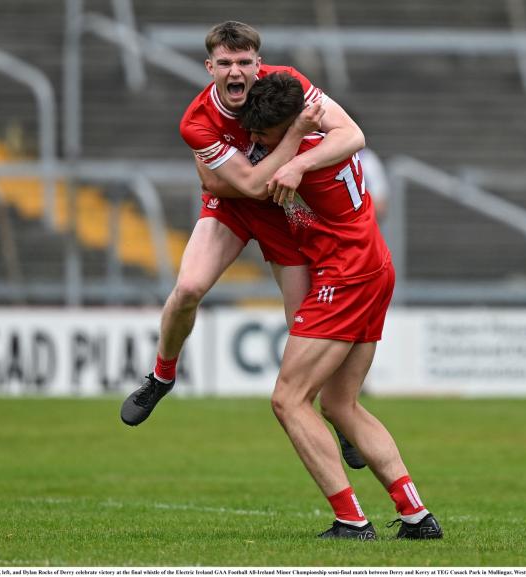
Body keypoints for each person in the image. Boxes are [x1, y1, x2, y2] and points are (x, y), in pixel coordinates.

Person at [120, 20, 366, 470]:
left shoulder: (287, 85)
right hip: (233, 206)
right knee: (189, 288)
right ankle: (161, 376)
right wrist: (294, 142)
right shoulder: (197, 120)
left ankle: (338, 419)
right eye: (226, 63)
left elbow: (352, 135)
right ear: (210, 66)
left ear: (258, 62)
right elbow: (249, 185)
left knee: (306, 331)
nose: (236, 71)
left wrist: (296, 165)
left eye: (244, 62)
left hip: (283, 212)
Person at [233, 73, 444, 540]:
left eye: (261, 134)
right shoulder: (329, 138)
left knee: (288, 399)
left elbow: (246, 184)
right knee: (340, 403)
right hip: (373, 265)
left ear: (286, 128)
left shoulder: (298, 161)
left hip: (345, 276)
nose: (253, 140)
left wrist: (286, 151)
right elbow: (347, 133)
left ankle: (351, 519)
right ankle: (415, 515)